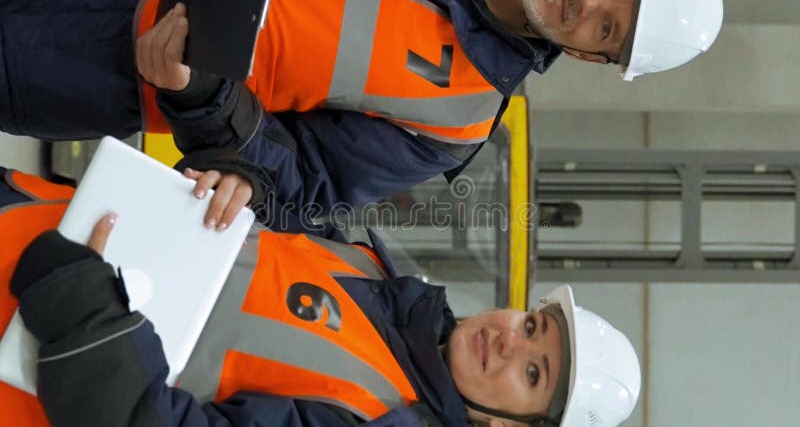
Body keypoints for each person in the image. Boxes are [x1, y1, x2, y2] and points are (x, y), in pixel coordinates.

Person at [0, 0, 724, 220]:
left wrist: (203, 96)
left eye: (607, 25)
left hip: (93, 68)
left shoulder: (458, 115)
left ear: (592, 56)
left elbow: (301, 185)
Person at [0, 168, 641, 427]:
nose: (509, 342)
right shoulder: (373, 274)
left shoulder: (383, 412)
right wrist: (233, 180)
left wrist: (81, 306)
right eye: (532, 326)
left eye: (533, 372)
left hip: (26, 338)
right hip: (34, 215)